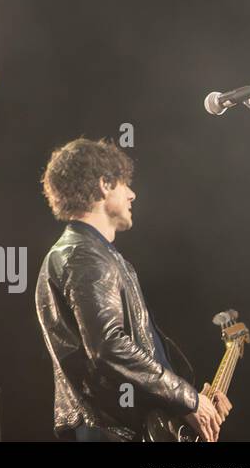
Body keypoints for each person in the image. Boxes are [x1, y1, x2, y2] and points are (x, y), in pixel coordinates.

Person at [34, 138, 232, 441]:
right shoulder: (83, 254)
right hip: (110, 430)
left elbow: (130, 352)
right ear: (104, 184)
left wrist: (189, 400)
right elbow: (108, 346)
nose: (132, 194)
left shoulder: (97, 254)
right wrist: (188, 399)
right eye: (125, 185)